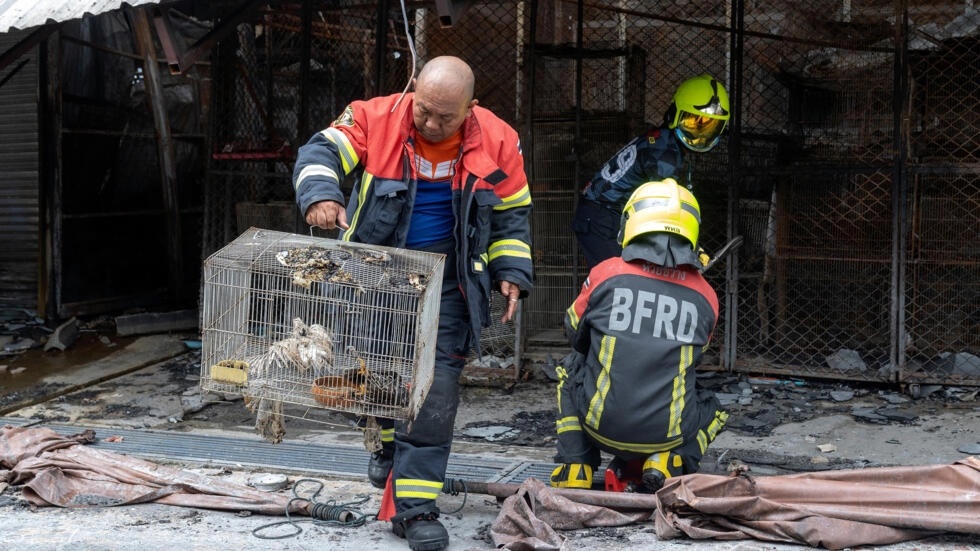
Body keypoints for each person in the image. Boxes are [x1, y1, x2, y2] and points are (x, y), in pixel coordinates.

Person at [292, 56, 533, 551]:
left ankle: (416, 509)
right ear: (412, 91)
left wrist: (511, 271)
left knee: (434, 392)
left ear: (472, 107)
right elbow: (320, 152)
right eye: (424, 109)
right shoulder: (373, 117)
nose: (430, 123)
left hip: (449, 285)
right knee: (376, 379)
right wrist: (320, 194)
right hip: (372, 280)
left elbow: (512, 214)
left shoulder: (499, 140)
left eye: (446, 116)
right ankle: (384, 443)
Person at [550, 178, 729, 492]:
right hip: (667, 433)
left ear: (631, 222)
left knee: (569, 368)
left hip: (599, 427)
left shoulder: (606, 273)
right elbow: (693, 357)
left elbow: (574, 333)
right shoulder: (707, 297)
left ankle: (575, 466)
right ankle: (668, 461)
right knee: (713, 407)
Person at [572, 74, 730, 270]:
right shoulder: (664, 154)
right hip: (601, 218)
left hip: (605, 215)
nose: (700, 135)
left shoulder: (663, 141)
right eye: (693, 123)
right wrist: (691, 249)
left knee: (625, 279)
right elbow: (666, 211)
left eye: (710, 127)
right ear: (675, 115)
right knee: (615, 281)